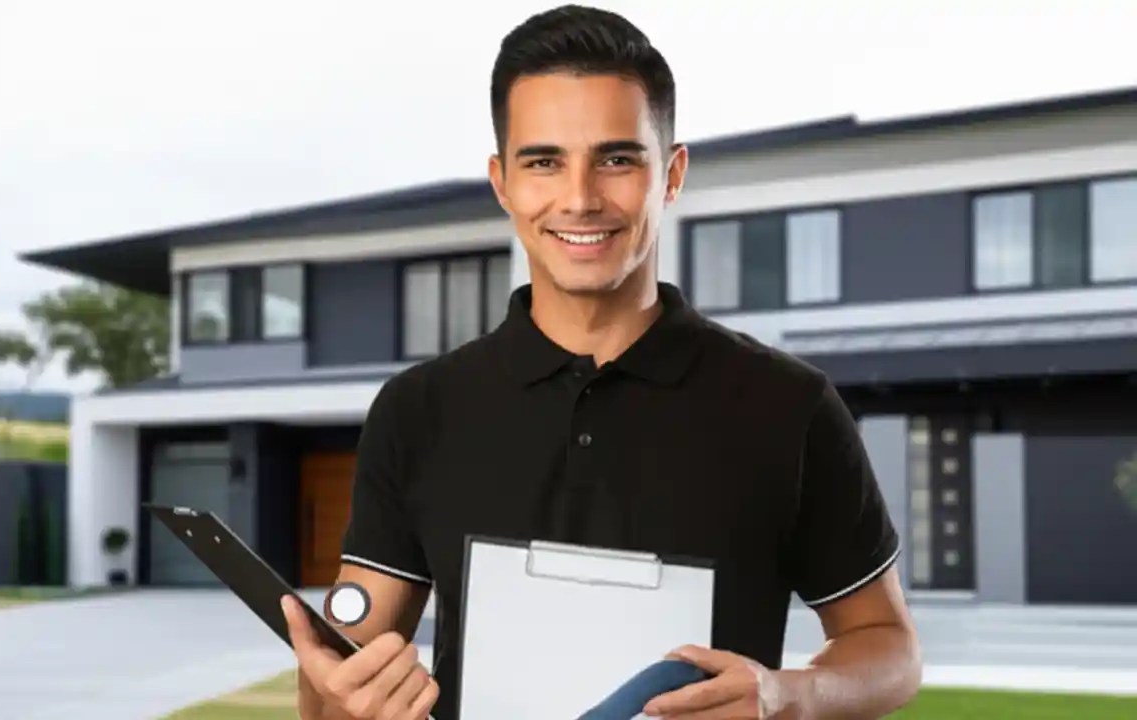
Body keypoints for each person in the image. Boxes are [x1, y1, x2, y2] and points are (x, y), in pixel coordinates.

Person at [281, 4, 923, 718]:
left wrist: (786, 694)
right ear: (502, 183)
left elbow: (888, 647)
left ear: (672, 173)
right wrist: (332, 692)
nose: (580, 199)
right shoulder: (418, 410)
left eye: (617, 159)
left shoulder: (788, 407)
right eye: (544, 161)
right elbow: (340, 688)